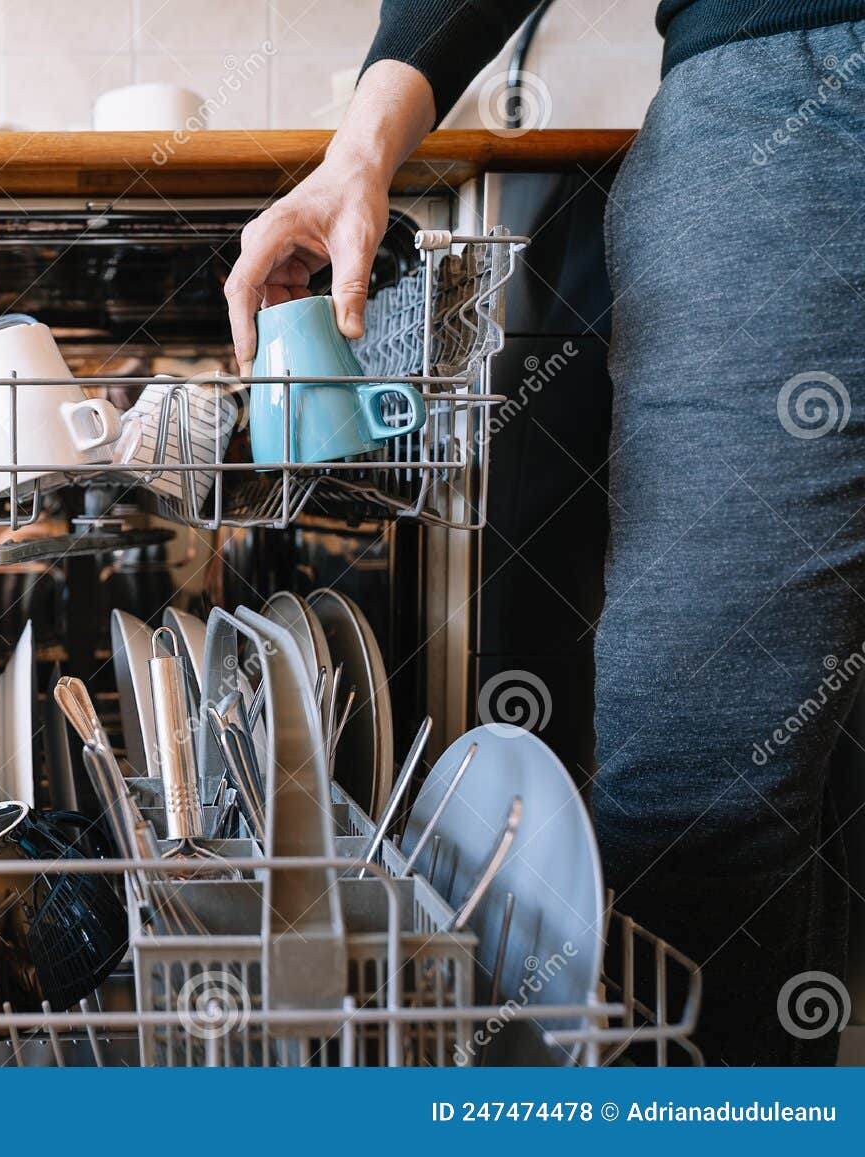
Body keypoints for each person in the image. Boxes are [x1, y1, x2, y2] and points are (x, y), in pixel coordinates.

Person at [227, 4, 865, 1065]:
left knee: (711, 788)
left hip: (773, 123)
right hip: (787, 98)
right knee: (704, 788)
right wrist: (360, 151)